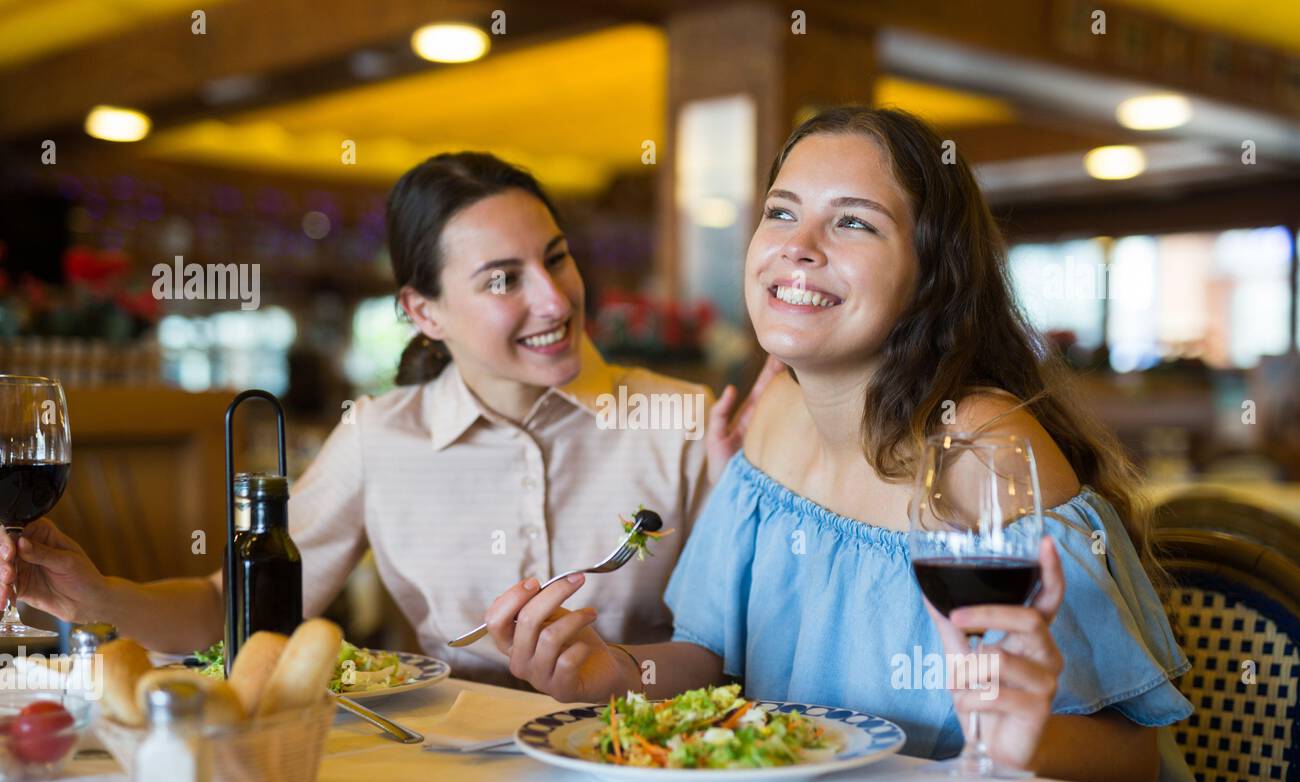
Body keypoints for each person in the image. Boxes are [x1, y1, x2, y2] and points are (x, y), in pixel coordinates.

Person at [477, 107, 1200, 782]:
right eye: (782, 211)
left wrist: (1021, 744)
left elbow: (1130, 758)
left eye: (853, 222)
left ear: (934, 274)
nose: (798, 245)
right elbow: (710, 662)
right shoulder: (774, 419)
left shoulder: (980, 448)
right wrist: (608, 671)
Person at [0, 152, 780, 686]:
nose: (554, 298)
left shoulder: (684, 422)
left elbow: (739, 649)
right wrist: (97, 597)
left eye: (557, 257)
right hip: (454, 780)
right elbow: (228, 610)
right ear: (422, 311)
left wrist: (617, 673)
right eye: (504, 278)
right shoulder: (380, 437)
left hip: (651, 773)